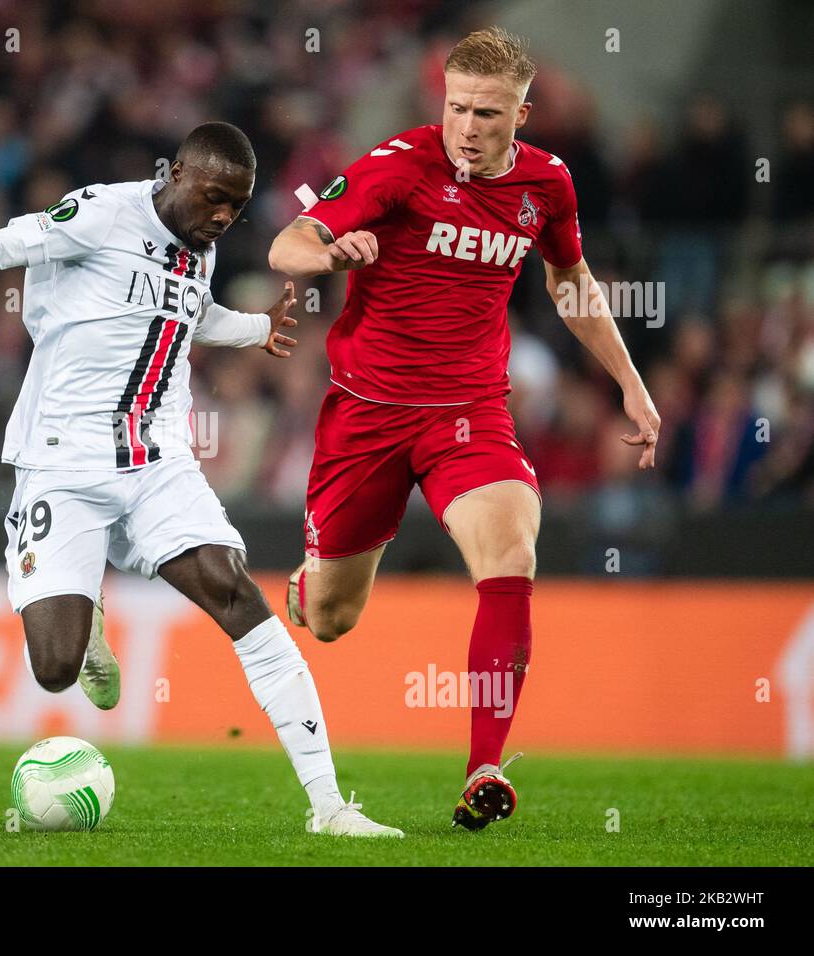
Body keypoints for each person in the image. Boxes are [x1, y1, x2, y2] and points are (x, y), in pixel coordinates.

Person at [0, 121, 402, 837]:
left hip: (157, 460)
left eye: (236, 205)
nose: (223, 216)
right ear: (172, 174)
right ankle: (89, 600)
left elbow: (186, 315)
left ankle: (328, 805)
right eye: (212, 198)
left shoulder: (199, 245)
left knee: (237, 595)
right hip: (62, 462)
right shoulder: (102, 213)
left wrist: (256, 330)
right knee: (53, 666)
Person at [268, 28, 660, 830]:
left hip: (470, 412)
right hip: (367, 414)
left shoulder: (547, 185)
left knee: (512, 553)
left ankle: (485, 764)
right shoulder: (397, 165)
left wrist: (629, 383)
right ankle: (310, 586)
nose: (468, 127)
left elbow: (570, 281)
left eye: (487, 112)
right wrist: (331, 253)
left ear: (522, 113)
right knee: (334, 619)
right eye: (456, 108)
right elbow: (287, 244)